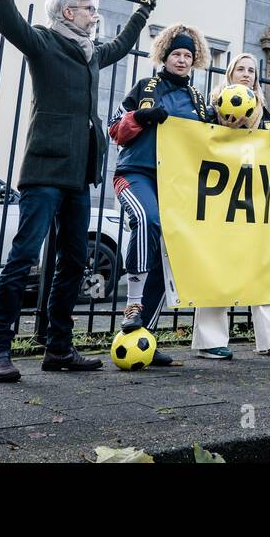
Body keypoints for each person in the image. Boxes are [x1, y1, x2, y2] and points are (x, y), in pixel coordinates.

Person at [0, 0, 153, 382]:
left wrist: (144, 11)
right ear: (66, 13)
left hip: (79, 174)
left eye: (94, 8)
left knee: (76, 262)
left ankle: (58, 348)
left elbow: (120, 44)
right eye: (87, 7)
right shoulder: (42, 41)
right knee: (23, 258)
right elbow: (9, 23)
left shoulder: (90, 53)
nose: (94, 14)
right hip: (44, 171)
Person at [107, 23, 212, 364]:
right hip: (135, 174)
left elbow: (213, 140)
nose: (181, 60)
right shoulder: (143, 87)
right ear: (164, 56)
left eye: (187, 55)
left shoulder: (197, 99)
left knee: (167, 254)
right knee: (146, 219)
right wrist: (140, 116)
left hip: (176, 183)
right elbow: (114, 130)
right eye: (176, 54)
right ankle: (132, 305)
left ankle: (144, 340)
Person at [190, 86, 270, 359]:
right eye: (241, 69)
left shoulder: (267, 119)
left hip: (255, 203)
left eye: (251, 71)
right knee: (217, 266)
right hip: (220, 202)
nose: (247, 75)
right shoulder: (210, 113)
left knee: (262, 266)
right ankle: (209, 340)